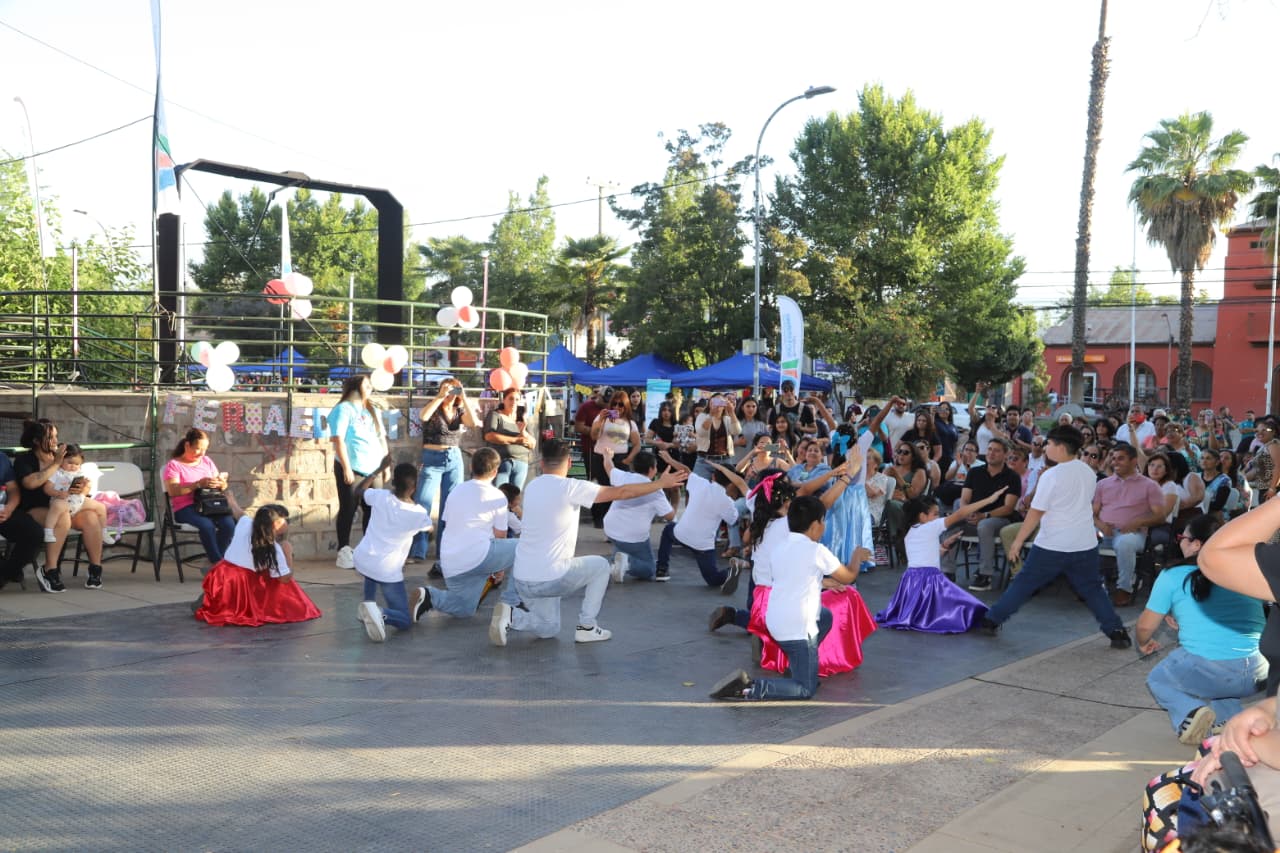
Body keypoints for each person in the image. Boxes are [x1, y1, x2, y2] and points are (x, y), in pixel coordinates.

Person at [488, 439, 686, 646]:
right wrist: (661, 484)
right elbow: (621, 492)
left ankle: (511, 617)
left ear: (542, 463)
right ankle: (587, 626)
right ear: (569, 463)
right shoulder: (572, 487)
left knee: (548, 628)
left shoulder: (533, 485)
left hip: (522, 579)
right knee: (601, 566)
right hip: (550, 577)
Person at [979, 425, 1132, 649]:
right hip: (1084, 543)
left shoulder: (1052, 475)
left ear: (1060, 447)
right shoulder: (1088, 472)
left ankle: (992, 620)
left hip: (1052, 545)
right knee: (1093, 589)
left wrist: (1018, 542)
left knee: (1024, 583)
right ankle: (1116, 631)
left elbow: (1035, 512)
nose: (1045, 447)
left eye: (1048, 444)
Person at [708, 496, 872, 702]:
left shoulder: (780, 547)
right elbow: (849, 576)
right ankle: (750, 688)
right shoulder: (817, 551)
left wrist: (822, 582)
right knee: (806, 689)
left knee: (826, 616)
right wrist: (857, 557)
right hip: (798, 628)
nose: (824, 525)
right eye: (823, 521)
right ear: (815, 525)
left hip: (775, 621)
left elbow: (793, 577)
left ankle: (798, 664)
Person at [1135, 514, 1268, 745]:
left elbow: (1145, 625)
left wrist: (1143, 642)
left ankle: (1191, 713)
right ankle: (1229, 722)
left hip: (1213, 671)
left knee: (1159, 679)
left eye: (1183, 538)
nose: (1180, 542)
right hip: (1260, 671)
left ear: (1196, 544)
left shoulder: (1173, 575)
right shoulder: (1246, 571)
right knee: (1223, 679)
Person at [876, 488, 1008, 632]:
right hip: (930, 580)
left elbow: (924, 556)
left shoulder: (911, 531)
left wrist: (944, 545)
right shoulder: (932, 526)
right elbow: (960, 514)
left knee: (936, 606)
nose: (939, 517)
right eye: (935, 514)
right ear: (923, 516)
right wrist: (989, 500)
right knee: (960, 600)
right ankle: (984, 618)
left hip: (910, 580)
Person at [412, 448, 519, 621]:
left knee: (465, 609)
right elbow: (500, 536)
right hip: (478, 556)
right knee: (523, 547)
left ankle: (431, 596)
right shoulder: (497, 496)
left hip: (451, 563)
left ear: (471, 466)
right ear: (495, 471)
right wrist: (499, 569)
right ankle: (511, 604)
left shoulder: (456, 491)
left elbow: (449, 523)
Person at [195, 501, 320, 626]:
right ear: (275, 524)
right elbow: (285, 579)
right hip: (239, 583)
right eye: (285, 520)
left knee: (263, 571)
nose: (287, 522)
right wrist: (288, 554)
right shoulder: (274, 549)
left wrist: (231, 501)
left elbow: (239, 513)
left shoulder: (246, 523)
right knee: (280, 579)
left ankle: (214, 601)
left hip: (221, 574)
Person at [15, 419, 106, 591]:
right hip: (35, 509)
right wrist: (56, 463)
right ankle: (50, 569)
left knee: (91, 517)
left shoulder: (65, 457)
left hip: (67, 503)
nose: (56, 441)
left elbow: (78, 476)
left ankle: (95, 569)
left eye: (56, 436)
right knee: (62, 519)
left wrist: (83, 487)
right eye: (51, 437)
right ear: (36, 441)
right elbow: (29, 483)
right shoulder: (25, 460)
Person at [354, 463, 433, 642]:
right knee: (405, 620)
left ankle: (368, 604)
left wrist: (378, 469)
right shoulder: (418, 513)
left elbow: (358, 491)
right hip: (386, 570)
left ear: (393, 483)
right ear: (414, 487)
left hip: (361, 558)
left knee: (370, 570)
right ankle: (379, 613)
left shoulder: (380, 496)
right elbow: (430, 531)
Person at [654, 449, 751, 589]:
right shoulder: (727, 502)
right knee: (713, 579)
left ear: (713, 477)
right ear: (731, 483)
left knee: (668, 530)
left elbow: (686, 470)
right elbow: (733, 520)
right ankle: (731, 572)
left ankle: (662, 570)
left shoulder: (700, 483)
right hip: (703, 546)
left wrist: (669, 460)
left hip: (681, 534)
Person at [408, 376, 478, 563]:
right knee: (423, 504)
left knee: (451, 506)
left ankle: (445, 551)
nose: (451, 393)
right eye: (448, 389)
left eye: (454, 389)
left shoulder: (459, 408)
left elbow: (472, 423)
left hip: (453, 458)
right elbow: (423, 416)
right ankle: (418, 552)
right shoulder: (435, 406)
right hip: (431, 459)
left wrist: (464, 397)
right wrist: (440, 396)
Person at [1094, 442, 1168, 606]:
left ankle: (1124, 589)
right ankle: (1091, 586)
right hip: (1103, 531)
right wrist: (1100, 524)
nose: (1115, 462)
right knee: (1079, 538)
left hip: (1133, 534)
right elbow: (1092, 512)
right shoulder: (1102, 484)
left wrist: (1139, 521)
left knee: (1125, 543)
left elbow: (1161, 516)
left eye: (1121, 459)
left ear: (1134, 461)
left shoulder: (1150, 485)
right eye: (1113, 459)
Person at [944, 437, 1021, 592]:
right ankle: (947, 571)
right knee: (950, 522)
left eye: (997, 450)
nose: (991, 453)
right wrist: (966, 513)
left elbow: (1008, 508)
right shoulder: (974, 472)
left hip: (999, 521)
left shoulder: (1012, 477)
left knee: (985, 525)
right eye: (990, 449)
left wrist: (984, 515)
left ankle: (985, 574)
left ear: (1006, 455)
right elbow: (964, 499)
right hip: (972, 518)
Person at [329, 374, 390, 570]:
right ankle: (344, 550)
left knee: (373, 509)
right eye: (366, 384)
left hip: (374, 468)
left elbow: (381, 438)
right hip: (354, 467)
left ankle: (368, 549)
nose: (370, 387)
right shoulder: (343, 409)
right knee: (349, 508)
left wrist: (385, 465)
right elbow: (338, 439)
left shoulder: (372, 409)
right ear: (355, 386)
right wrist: (346, 467)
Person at [164, 427, 237, 572]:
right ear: (187, 445)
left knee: (229, 524)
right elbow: (173, 491)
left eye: (205, 449)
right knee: (207, 525)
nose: (202, 453)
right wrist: (197, 485)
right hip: (185, 507)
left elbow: (221, 485)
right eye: (198, 449)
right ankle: (218, 564)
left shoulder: (207, 461)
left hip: (210, 505)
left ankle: (214, 562)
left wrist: (221, 483)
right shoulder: (174, 465)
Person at [602, 450, 674, 582]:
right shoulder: (656, 490)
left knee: (623, 545)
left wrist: (607, 456)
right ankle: (626, 563)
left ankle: (618, 559)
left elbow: (609, 467)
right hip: (634, 538)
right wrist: (674, 493)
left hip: (611, 531)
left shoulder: (624, 476)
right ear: (652, 469)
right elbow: (670, 516)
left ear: (633, 466)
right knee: (649, 569)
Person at [588, 389, 642, 527]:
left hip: (620, 459)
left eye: (620, 405)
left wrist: (628, 459)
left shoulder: (630, 423)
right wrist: (600, 419)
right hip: (601, 456)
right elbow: (594, 436)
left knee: (618, 491)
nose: (617, 408)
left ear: (626, 406)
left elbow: (637, 445)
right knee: (601, 489)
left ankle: (614, 522)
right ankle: (600, 519)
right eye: (614, 404)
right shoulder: (602, 418)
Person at [41, 444, 113, 547]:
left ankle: (104, 531)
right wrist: (58, 493)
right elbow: (47, 488)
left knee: (101, 507)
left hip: (78, 500)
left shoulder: (80, 473)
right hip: (62, 500)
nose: (73, 466)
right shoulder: (57, 473)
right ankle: (48, 530)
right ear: (61, 460)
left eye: (77, 464)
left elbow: (86, 491)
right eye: (70, 463)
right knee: (56, 508)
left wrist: (86, 485)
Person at [0, 447, 42, 590]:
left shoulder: (2, 458)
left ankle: (6, 573)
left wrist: (9, 508)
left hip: (3, 510)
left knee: (34, 533)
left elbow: (13, 489)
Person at [485, 387, 536, 490]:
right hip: (502, 462)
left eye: (517, 399)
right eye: (511, 399)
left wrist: (523, 432)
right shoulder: (495, 415)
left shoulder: (522, 419)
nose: (514, 402)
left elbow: (532, 444)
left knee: (515, 499)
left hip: (521, 463)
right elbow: (489, 436)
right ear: (504, 400)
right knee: (499, 495)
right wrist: (516, 440)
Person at [693, 394, 740, 481]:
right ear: (709, 403)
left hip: (724, 460)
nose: (718, 405)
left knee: (724, 489)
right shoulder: (702, 416)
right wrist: (711, 414)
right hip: (705, 460)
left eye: (721, 402)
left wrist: (731, 412)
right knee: (700, 486)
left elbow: (737, 431)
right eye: (715, 401)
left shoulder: (727, 418)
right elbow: (701, 432)